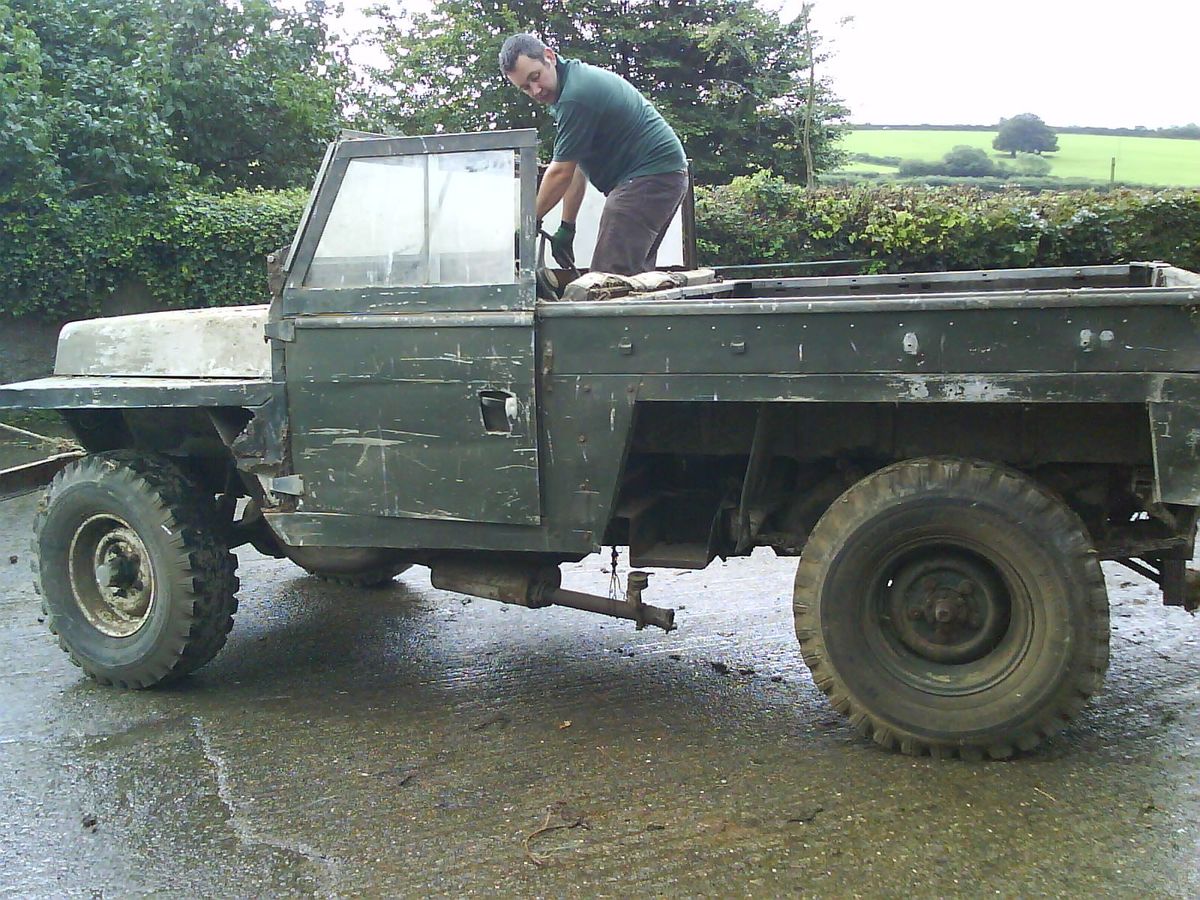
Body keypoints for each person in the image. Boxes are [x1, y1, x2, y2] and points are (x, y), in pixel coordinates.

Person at [499, 33, 688, 277]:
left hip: (649, 178)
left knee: (606, 280)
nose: (535, 90)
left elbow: (560, 173)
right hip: (661, 177)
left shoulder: (575, 96)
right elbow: (576, 168)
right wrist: (567, 226)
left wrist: (528, 224)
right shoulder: (569, 86)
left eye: (535, 77)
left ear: (549, 57)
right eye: (525, 87)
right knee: (630, 278)